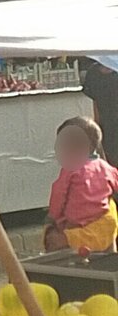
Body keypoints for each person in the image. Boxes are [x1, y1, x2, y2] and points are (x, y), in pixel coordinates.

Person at [44, 116, 118, 253]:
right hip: (104, 221)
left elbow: (59, 194)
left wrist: (53, 216)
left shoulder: (71, 167)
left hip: (76, 222)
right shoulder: (106, 167)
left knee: (56, 238)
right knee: (110, 227)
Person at [82, 61, 118, 168]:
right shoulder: (93, 72)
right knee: (109, 163)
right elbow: (95, 101)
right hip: (106, 126)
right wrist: (96, 126)